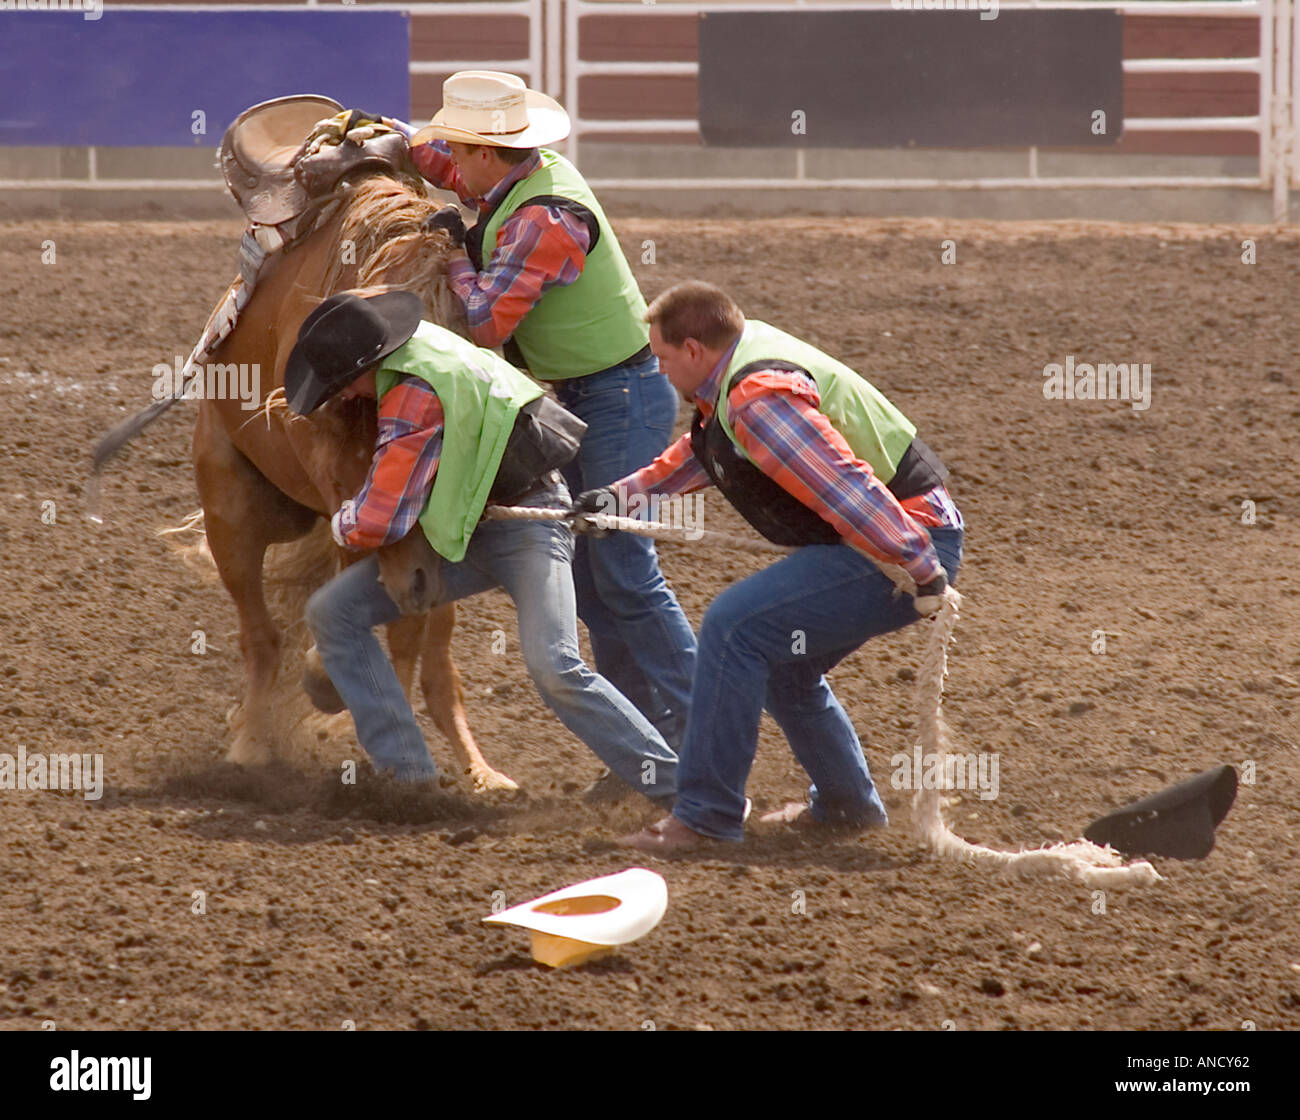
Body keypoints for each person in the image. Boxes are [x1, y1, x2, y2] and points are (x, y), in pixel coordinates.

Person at [382, 71, 697, 780]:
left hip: (617, 397)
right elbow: (439, 160)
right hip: (597, 392)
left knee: (621, 570)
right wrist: (391, 136)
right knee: (595, 574)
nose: (451, 168)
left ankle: (698, 737)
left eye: (460, 154)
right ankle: (646, 748)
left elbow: (490, 317)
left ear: (490, 155)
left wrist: (457, 254)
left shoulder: (544, 218)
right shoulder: (517, 181)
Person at [574, 282, 964, 854]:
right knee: (783, 664)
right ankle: (846, 807)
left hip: (899, 545)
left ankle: (705, 819)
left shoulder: (757, 398)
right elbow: (702, 456)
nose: (658, 372)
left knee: (735, 625)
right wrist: (615, 500)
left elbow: (844, 488)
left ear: (692, 349)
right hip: (898, 536)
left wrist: (920, 568)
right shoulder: (734, 382)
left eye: (659, 358)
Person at [288, 290, 678, 804]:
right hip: (472, 526)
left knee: (555, 665)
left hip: (525, 528)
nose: (345, 397)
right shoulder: (430, 346)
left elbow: (381, 519)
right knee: (334, 611)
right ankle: (408, 780)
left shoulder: (411, 394)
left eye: (342, 385)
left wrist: (338, 522)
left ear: (367, 366)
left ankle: (680, 789)